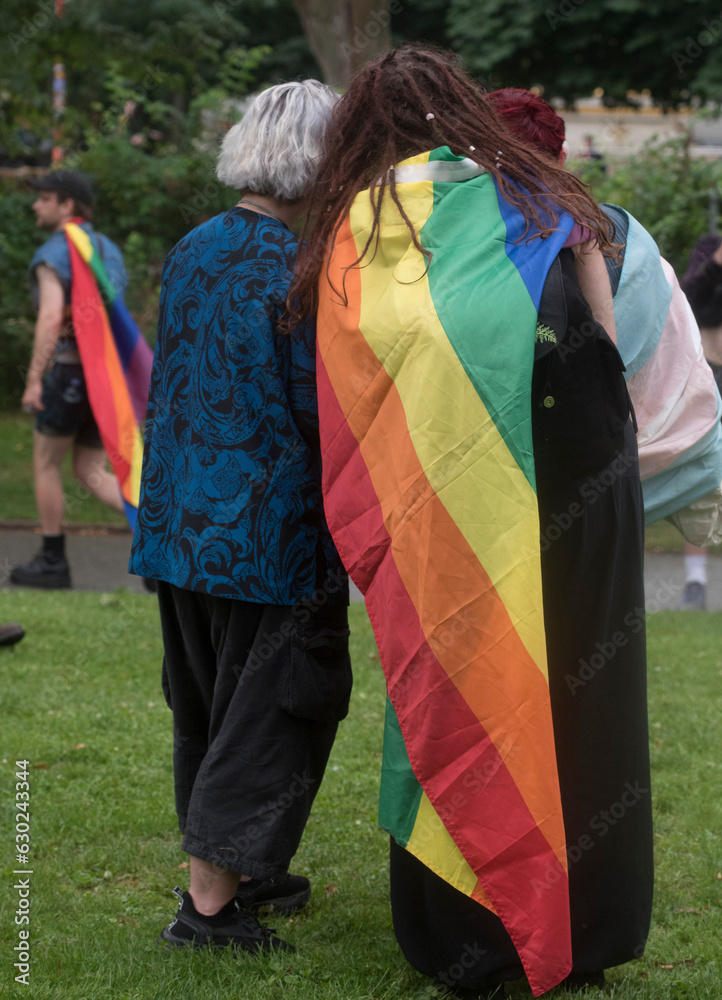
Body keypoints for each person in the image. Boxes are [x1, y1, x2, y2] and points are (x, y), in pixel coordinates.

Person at [289, 45, 649, 996]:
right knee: (583, 696)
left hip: (438, 505)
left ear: (363, 126)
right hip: (577, 482)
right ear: (465, 108)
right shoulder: (545, 203)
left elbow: (352, 396)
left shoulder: (358, 232)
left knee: (448, 679)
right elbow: (606, 356)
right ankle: (591, 922)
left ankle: (470, 930)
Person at [129, 80, 351, 953]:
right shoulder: (301, 268)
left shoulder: (194, 247)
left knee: (209, 709)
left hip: (181, 525)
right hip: (270, 539)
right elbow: (316, 408)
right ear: (319, 161)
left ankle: (245, 871)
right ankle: (208, 911)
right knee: (274, 712)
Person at [489, 89, 722, 606]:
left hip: (518, 472)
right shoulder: (615, 238)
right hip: (599, 456)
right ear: (562, 158)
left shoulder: (463, 251)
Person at [11, 171, 128, 589]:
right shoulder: (106, 249)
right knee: (90, 468)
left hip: (66, 372)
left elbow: (48, 317)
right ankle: (156, 537)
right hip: (101, 375)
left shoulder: (56, 252)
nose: (35, 206)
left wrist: (34, 379)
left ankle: (52, 561)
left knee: (46, 464)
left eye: (44, 198)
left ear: (68, 205)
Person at [679, 224, 722, 609]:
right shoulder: (712, 249)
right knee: (703, 478)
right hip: (712, 379)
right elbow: (686, 303)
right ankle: (695, 584)